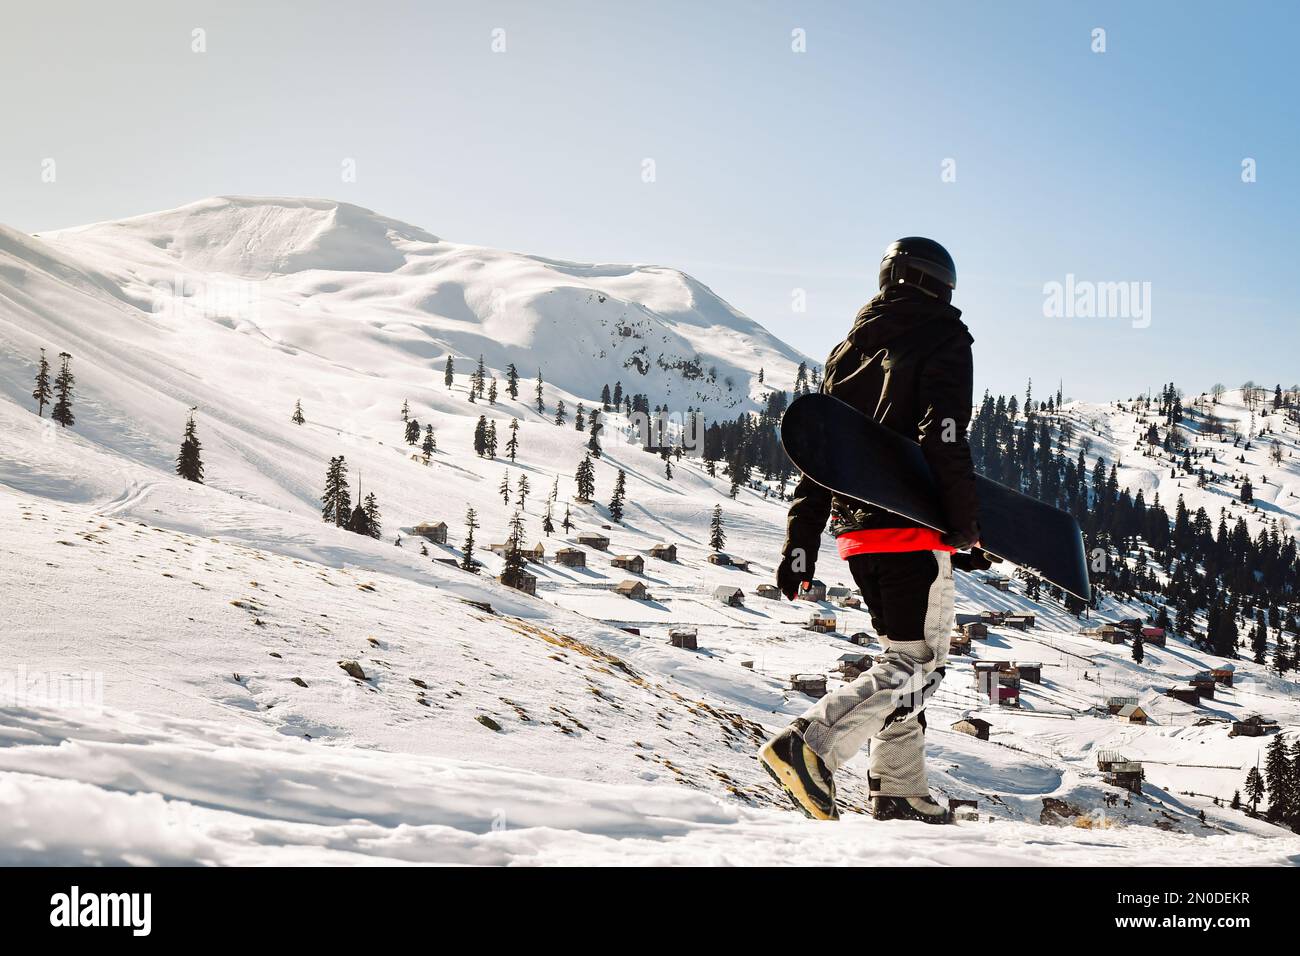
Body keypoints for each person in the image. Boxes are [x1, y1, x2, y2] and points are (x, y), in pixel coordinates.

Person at [758, 237, 995, 824]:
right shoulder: (943, 336)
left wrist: (801, 542)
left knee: (901, 660)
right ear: (941, 285)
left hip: (858, 536)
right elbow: (942, 434)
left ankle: (899, 789)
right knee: (919, 663)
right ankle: (808, 745)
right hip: (911, 530)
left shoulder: (851, 348)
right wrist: (962, 525)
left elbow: (825, 452)